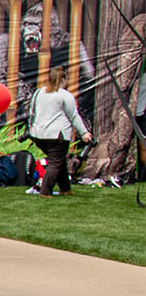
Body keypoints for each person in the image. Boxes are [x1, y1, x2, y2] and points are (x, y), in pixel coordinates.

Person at [25, 55, 91, 196]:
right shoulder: (65, 95)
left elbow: (31, 112)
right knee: (55, 163)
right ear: (62, 80)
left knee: (59, 160)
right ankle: (46, 191)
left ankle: (65, 188)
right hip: (57, 135)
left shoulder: (38, 93)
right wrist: (84, 133)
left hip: (39, 135)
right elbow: (74, 116)